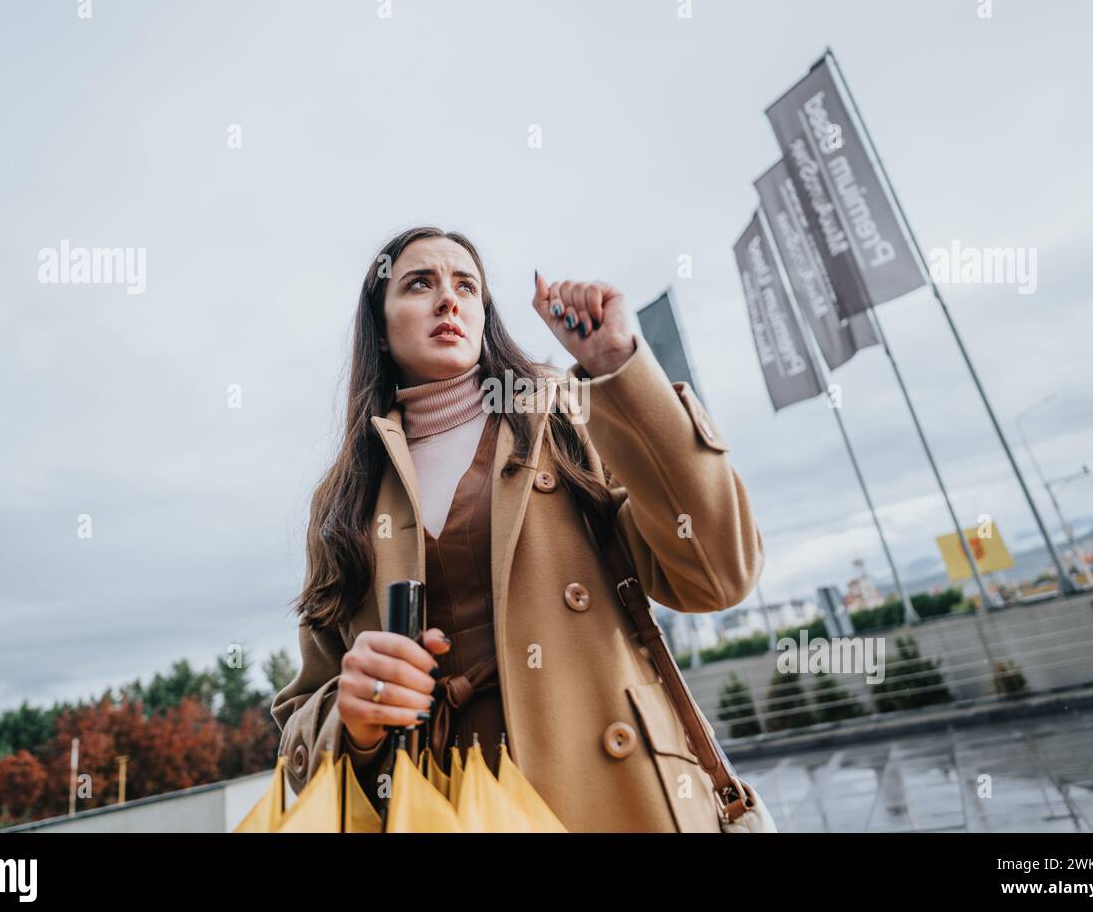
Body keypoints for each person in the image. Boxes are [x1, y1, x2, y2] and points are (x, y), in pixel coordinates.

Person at [271, 225, 766, 831]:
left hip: (621, 800)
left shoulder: (565, 408)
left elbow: (717, 577)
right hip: (446, 811)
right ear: (379, 321)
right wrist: (351, 718)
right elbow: (303, 711)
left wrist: (620, 369)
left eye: (467, 286)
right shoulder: (341, 499)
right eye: (419, 284)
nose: (448, 299)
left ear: (483, 314)